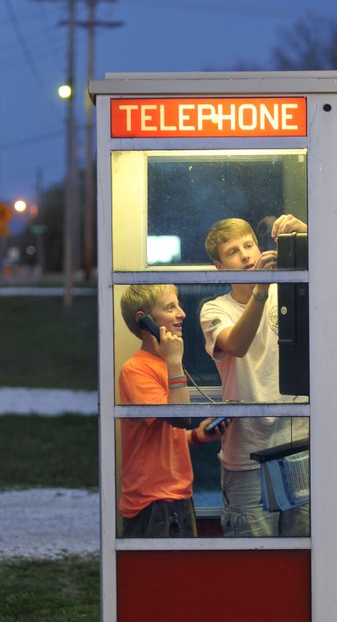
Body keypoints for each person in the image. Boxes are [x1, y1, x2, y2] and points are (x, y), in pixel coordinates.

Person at [200, 214, 309, 538]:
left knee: (305, 549)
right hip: (246, 454)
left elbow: (335, 270)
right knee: (254, 552)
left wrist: (305, 232)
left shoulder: (286, 291)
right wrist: (261, 289)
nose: (246, 255)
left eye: (249, 245)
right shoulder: (214, 309)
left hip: (298, 443)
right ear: (219, 267)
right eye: (233, 252)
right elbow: (236, 345)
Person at [118, 283, 227, 538]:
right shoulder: (136, 370)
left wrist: (197, 436)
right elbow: (179, 416)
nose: (182, 314)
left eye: (178, 305)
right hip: (154, 500)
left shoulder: (163, 365)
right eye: (170, 307)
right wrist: (175, 362)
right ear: (144, 320)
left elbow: (160, 435)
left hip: (178, 495)